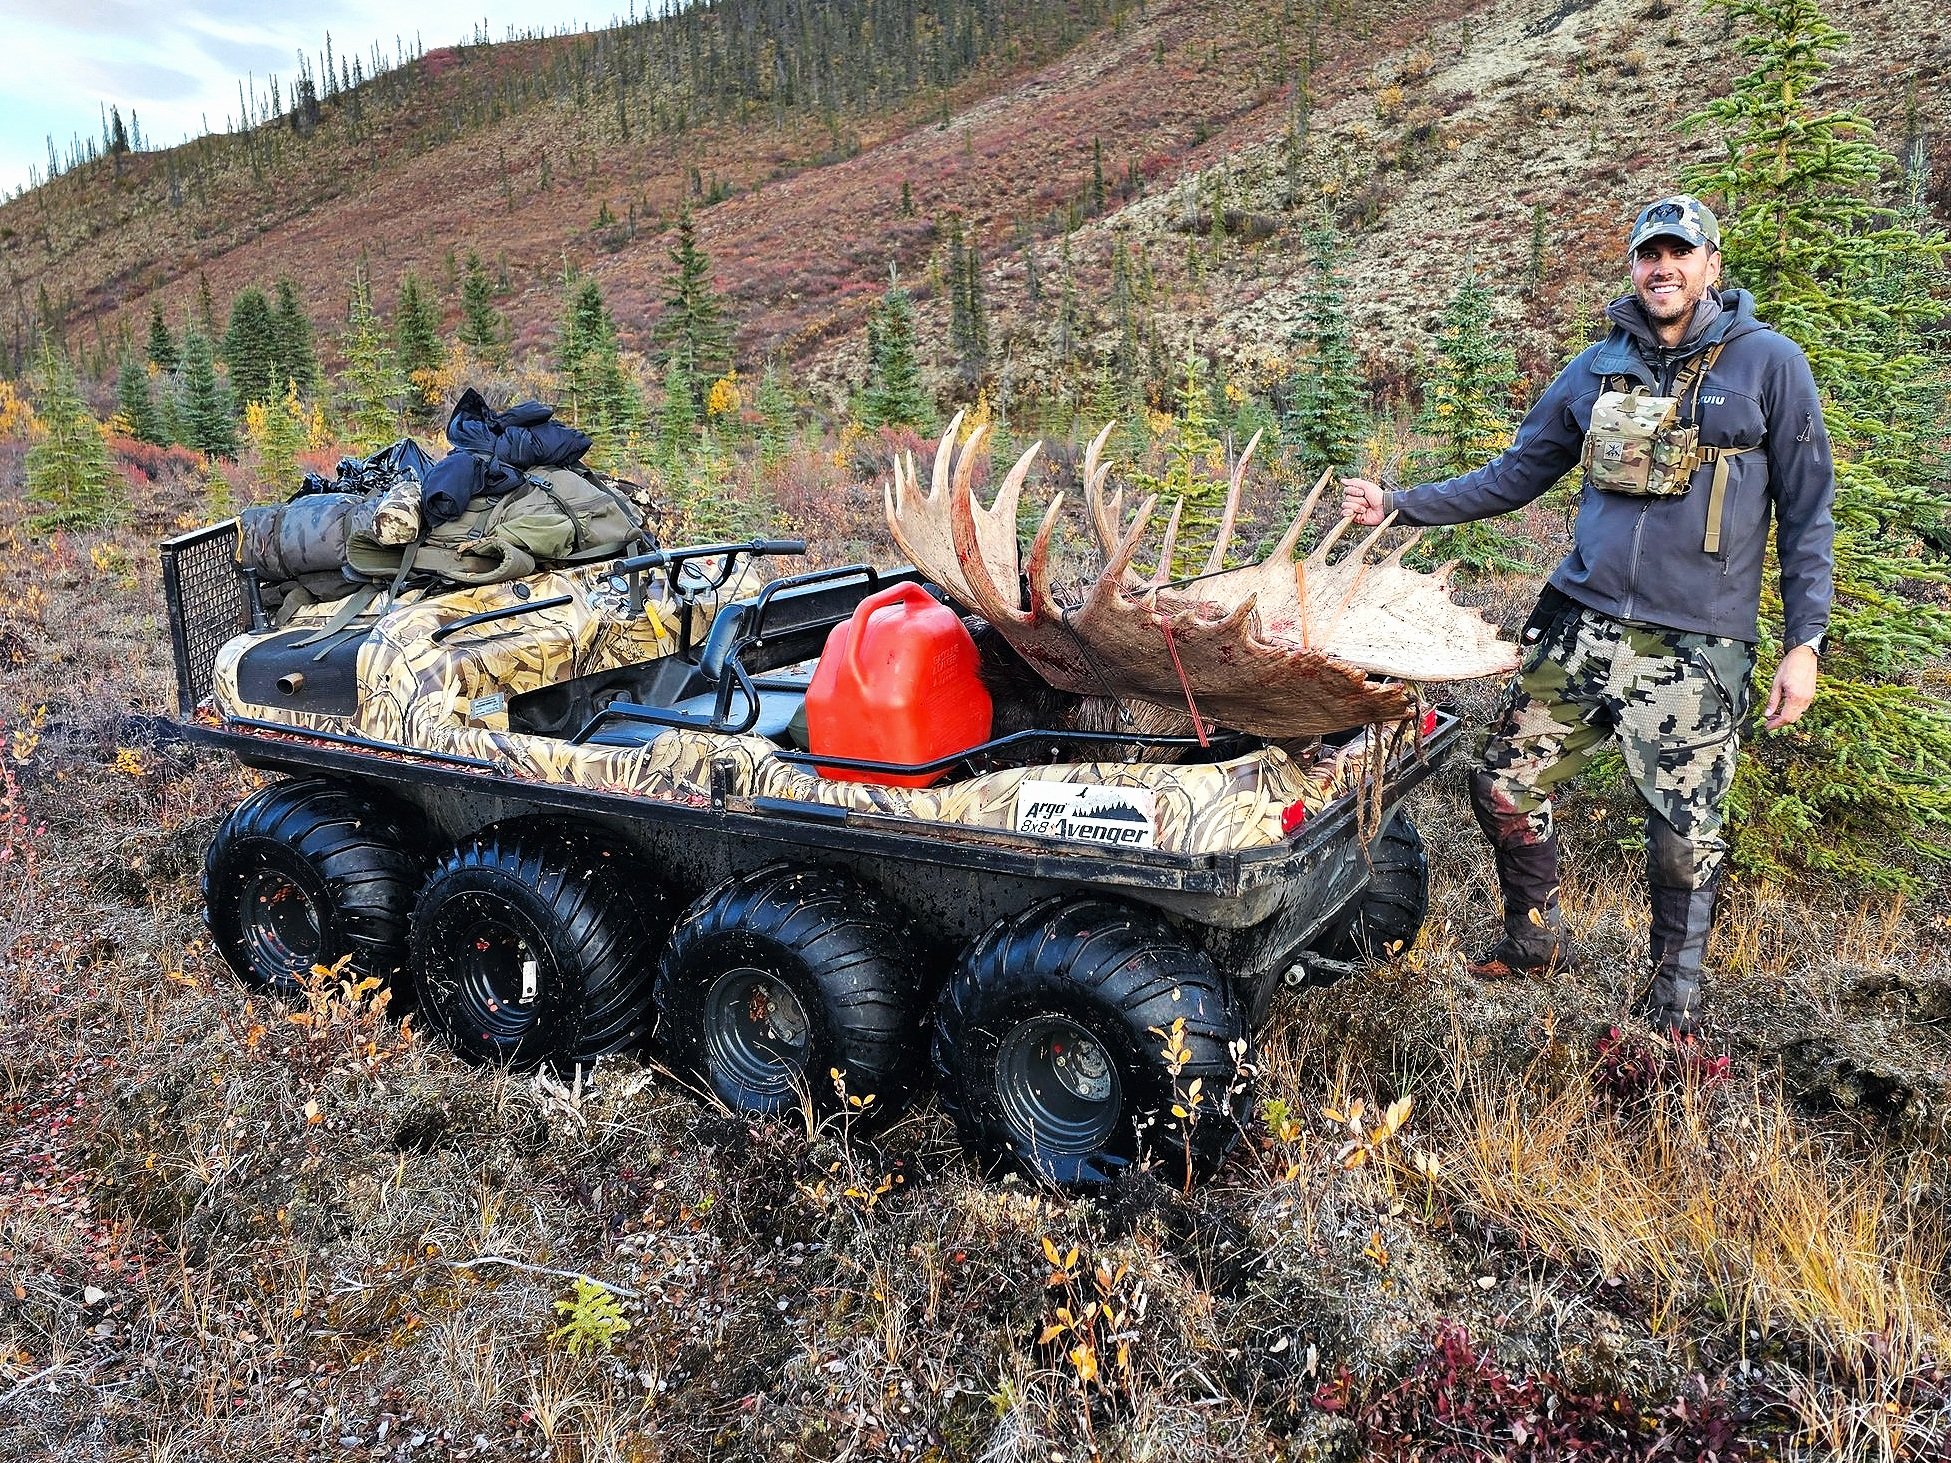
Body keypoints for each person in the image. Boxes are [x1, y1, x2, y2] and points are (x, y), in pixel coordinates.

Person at [1340, 195, 1834, 1037]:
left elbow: (1808, 510)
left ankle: (1671, 1002)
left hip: (1698, 643)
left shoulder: (1769, 365)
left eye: (1680, 253)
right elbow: (1515, 472)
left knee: (1682, 835)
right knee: (1501, 783)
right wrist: (1399, 504)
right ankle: (1533, 940)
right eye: (1649, 254)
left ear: (1711, 264)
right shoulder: (1597, 367)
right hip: (1582, 625)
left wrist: (1803, 642)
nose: (1662, 268)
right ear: (1634, 267)